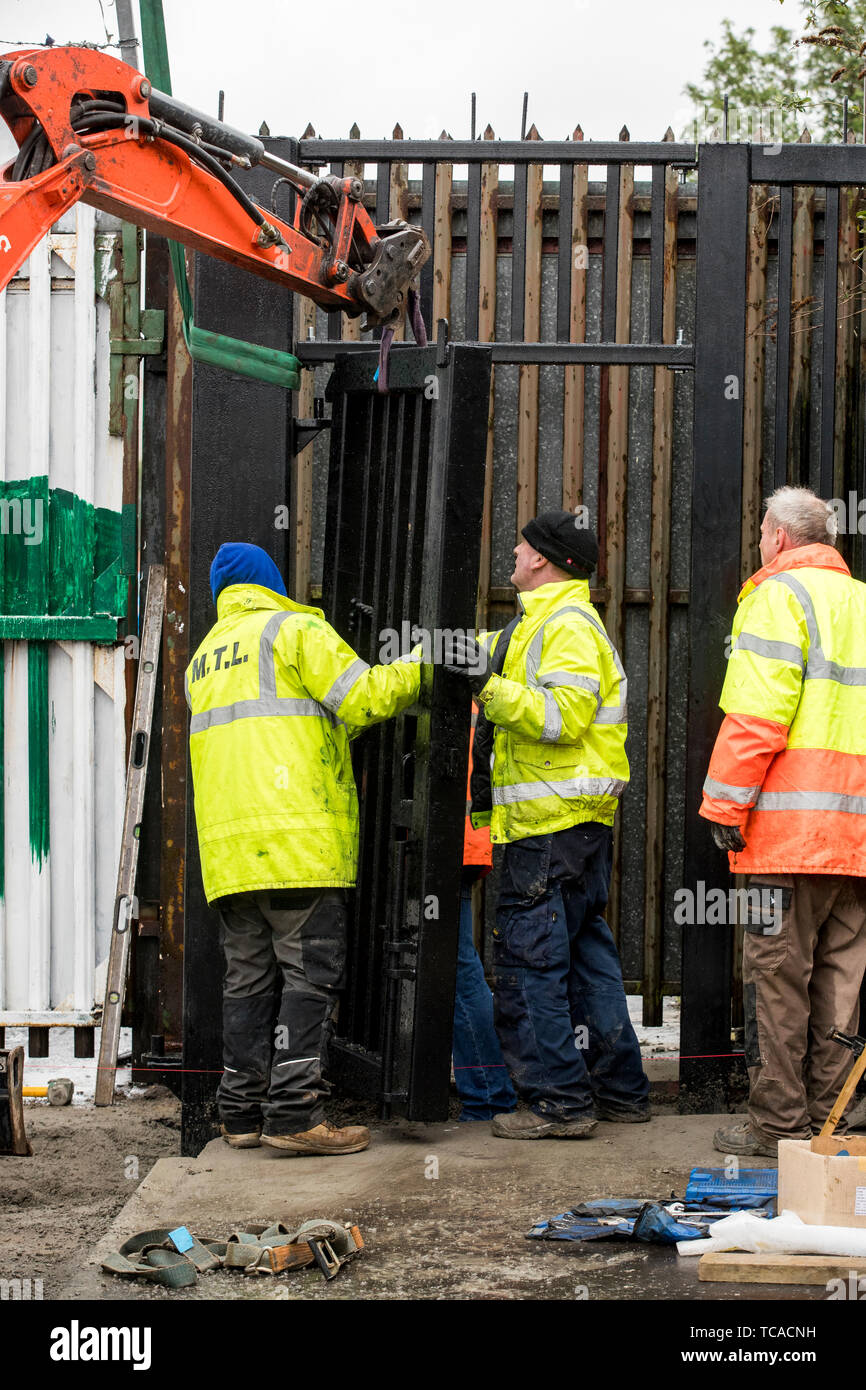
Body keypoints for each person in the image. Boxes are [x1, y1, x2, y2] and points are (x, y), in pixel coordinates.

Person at [185, 542, 420, 1155]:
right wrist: (421, 663)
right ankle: (293, 1115)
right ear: (271, 582)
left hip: (231, 857)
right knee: (307, 979)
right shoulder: (293, 631)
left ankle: (239, 1115)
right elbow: (365, 698)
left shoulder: (203, 658)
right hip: (296, 841)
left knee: (247, 983)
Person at [443, 510, 650, 1138]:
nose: (511, 550)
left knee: (530, 964)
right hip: (573, 827)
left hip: (550, 826)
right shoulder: (545, 625)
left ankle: (558, 1104)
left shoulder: (564, 626)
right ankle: (620, 1091)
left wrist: (490, 688)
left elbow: (561, 717)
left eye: (521, 544)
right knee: (588, 960)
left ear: (542, 558)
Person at [700, 486, 866, 1157]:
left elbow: (756, 719)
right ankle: (834, 1126)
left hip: (786, 838)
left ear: (776, 536)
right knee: (842, 986)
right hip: (855, 842)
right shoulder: (859, 603)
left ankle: (776, 1128)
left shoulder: (778, 597)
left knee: (778, 982)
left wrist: (722, 807)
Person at [452, 702, 518, 1121]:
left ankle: (489, 1096)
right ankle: (488, 1092)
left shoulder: (427, 687)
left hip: (444, 843)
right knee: (458, 969)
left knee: (458, 971)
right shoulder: (476, 700)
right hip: (466, 840)